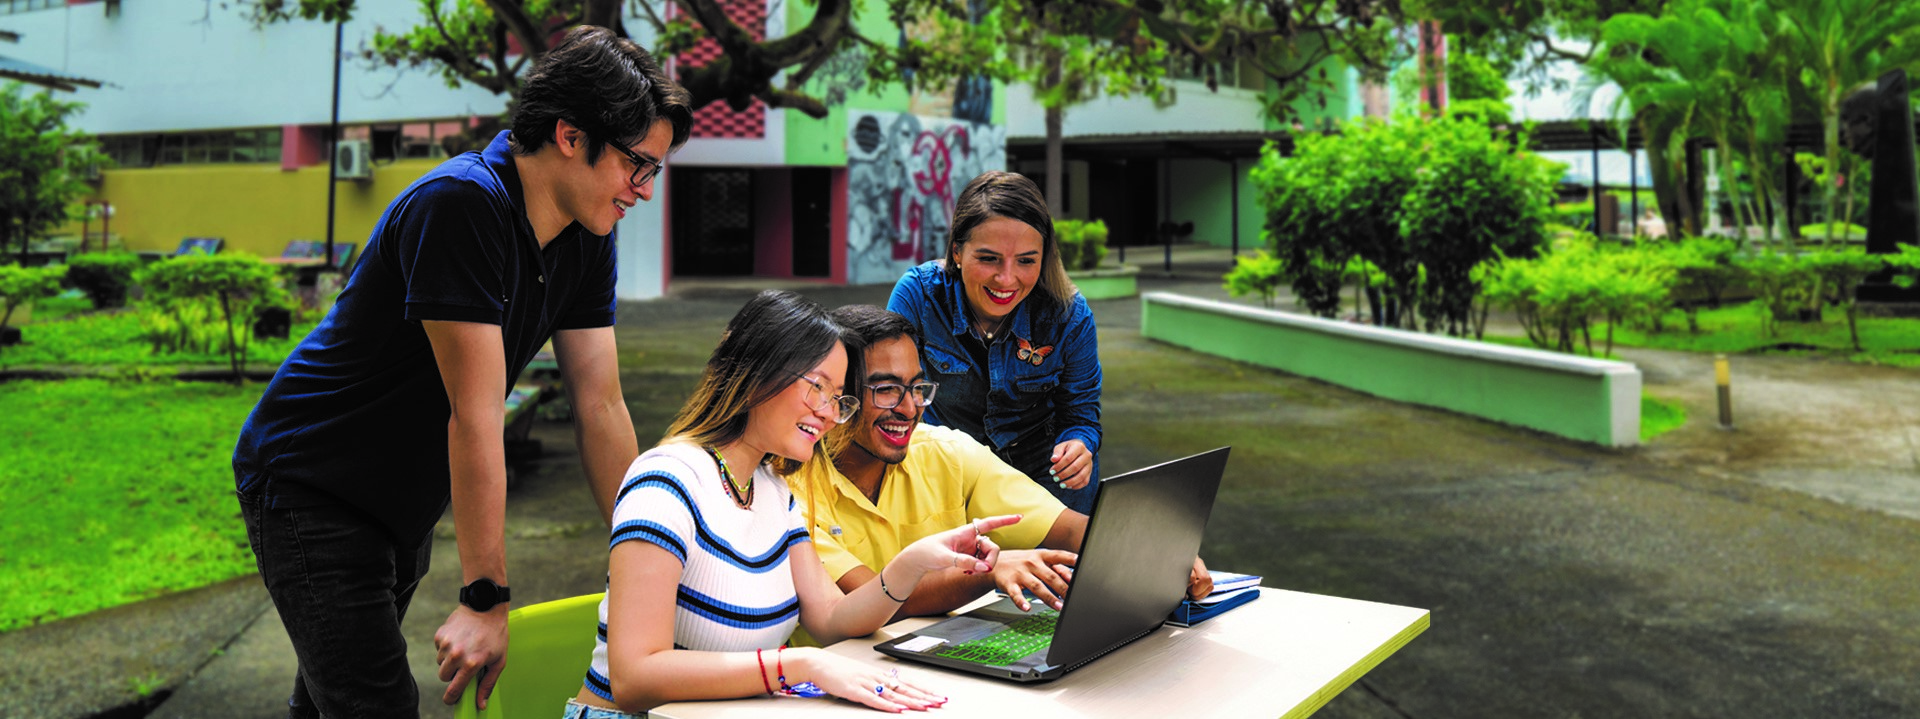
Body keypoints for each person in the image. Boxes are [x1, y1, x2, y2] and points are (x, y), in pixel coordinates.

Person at [230, 27, 691, 717]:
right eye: (637, 165)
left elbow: (601, 406)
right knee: (375, 702)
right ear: (570, 136)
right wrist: (485, 595)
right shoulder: (463, 204)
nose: (644, 190)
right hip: (313, 483)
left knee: (331, 700)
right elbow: (474, 413)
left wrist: (649, 555)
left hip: (399, 500)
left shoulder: (588, 232)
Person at [572, 290, 1018, 717]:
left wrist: (912, 564)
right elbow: (634, 677)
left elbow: (831, 619)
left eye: (838, 397)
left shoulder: (772, 489)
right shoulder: (666, 482)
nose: (829, 412)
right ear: (756, 376)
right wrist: (796, 666)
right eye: (817, 388)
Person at [791, 304, 1209, 624]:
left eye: (918, 388)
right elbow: (868, 599)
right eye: (885, 390)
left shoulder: (947, 452)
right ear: (839, 394)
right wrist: (990, 570)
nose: (909, 408)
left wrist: (1159, 550)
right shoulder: (791, 487)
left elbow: (1067, 529)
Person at [888, 171, 1103, 514]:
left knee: (1068, 568)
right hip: (949, 477)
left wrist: (1079, 443)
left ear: (1044, 256)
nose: (1006, 279)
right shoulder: (919, 296)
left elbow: (1081, 415)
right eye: (988, 258)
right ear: (957, 252)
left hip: (1046, 482)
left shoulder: (1069, 314)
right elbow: (892, 398)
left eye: (1026, 261)